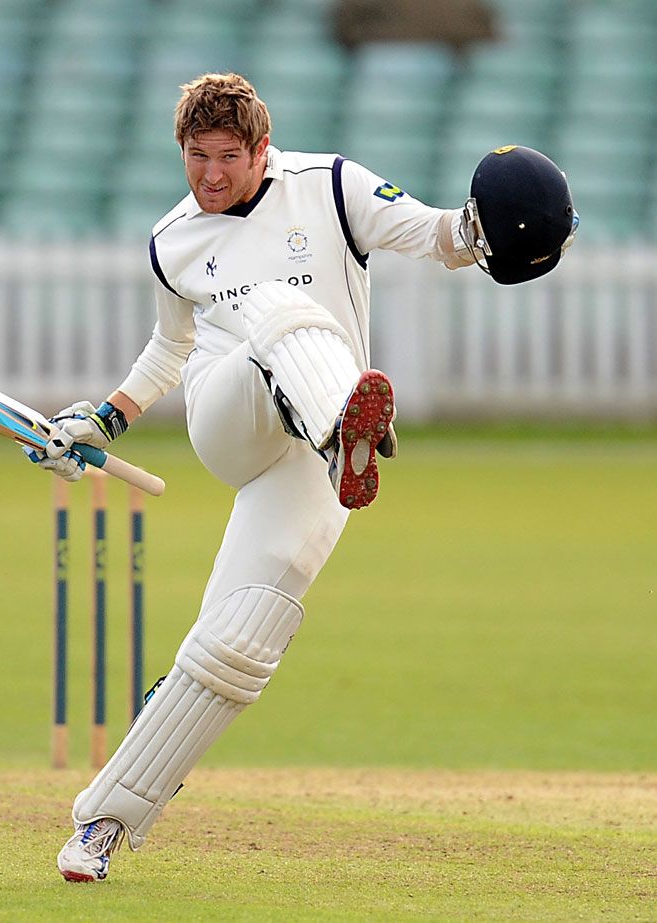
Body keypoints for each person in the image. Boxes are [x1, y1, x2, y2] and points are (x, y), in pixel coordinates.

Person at [29, 73, 577, 882]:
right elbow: (171, 348)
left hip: (315, 464)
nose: (210, 176)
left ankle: (102, 825)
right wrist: (103, 418)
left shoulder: (329, 185)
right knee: (275, 313)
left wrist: (487, 230)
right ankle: (347, 427)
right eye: (195, 157)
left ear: (261, 151)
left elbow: (432, 234)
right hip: (232, 412)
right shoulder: (173, 239)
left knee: (232, 650)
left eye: (226, 158)